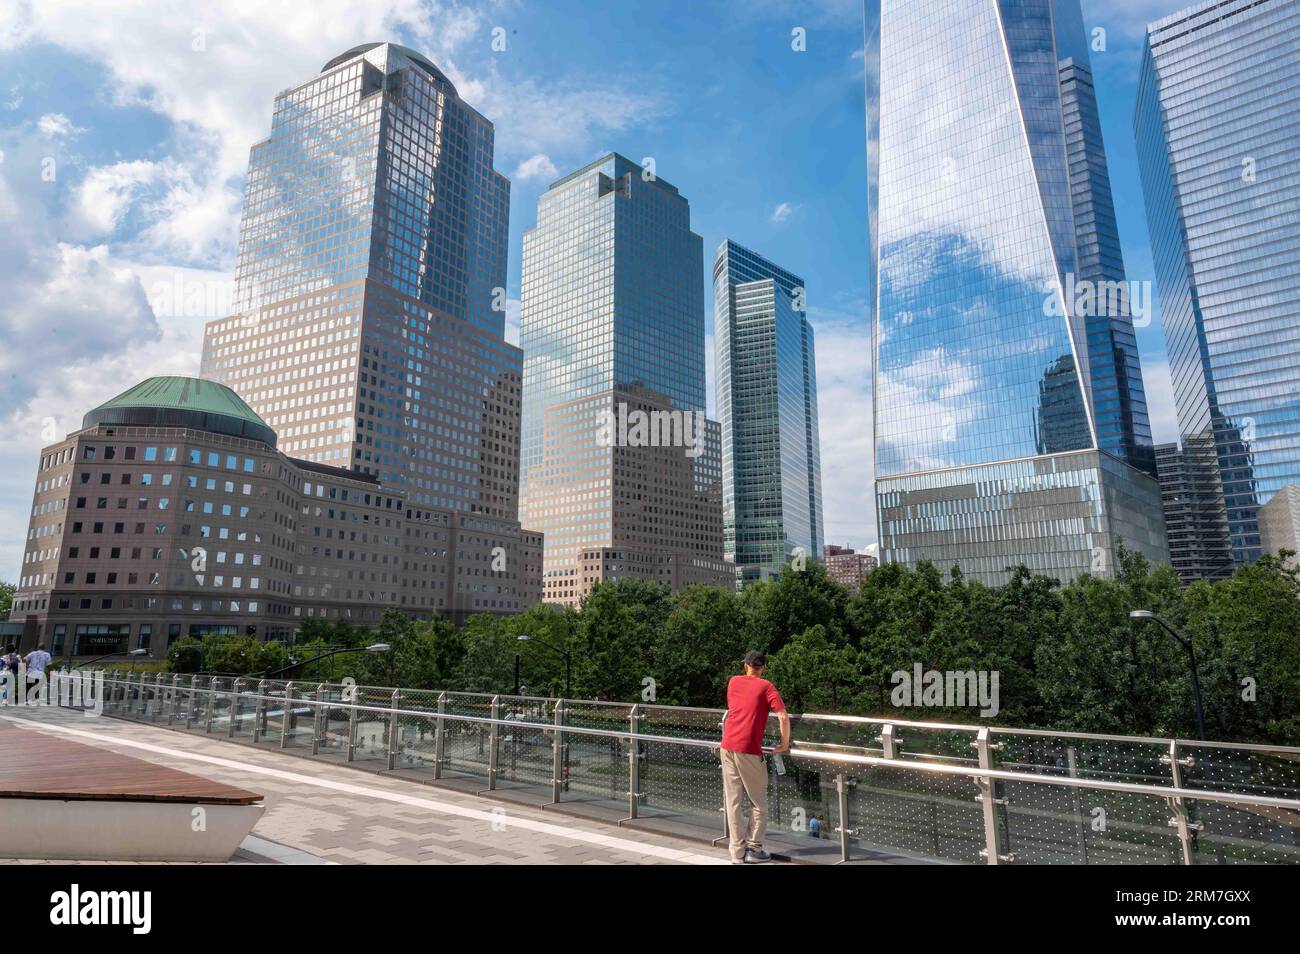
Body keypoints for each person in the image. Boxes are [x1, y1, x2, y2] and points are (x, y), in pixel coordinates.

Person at [720, 650, 791, 864]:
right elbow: (783, 716)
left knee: (733, 801)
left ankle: (736, 853)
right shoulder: (766, 686)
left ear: (746, 666)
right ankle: (754, 849)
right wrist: (784, 744)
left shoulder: (733, 682)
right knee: (758, 802)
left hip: (727, 745)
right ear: (763, 668)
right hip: (749, 750)